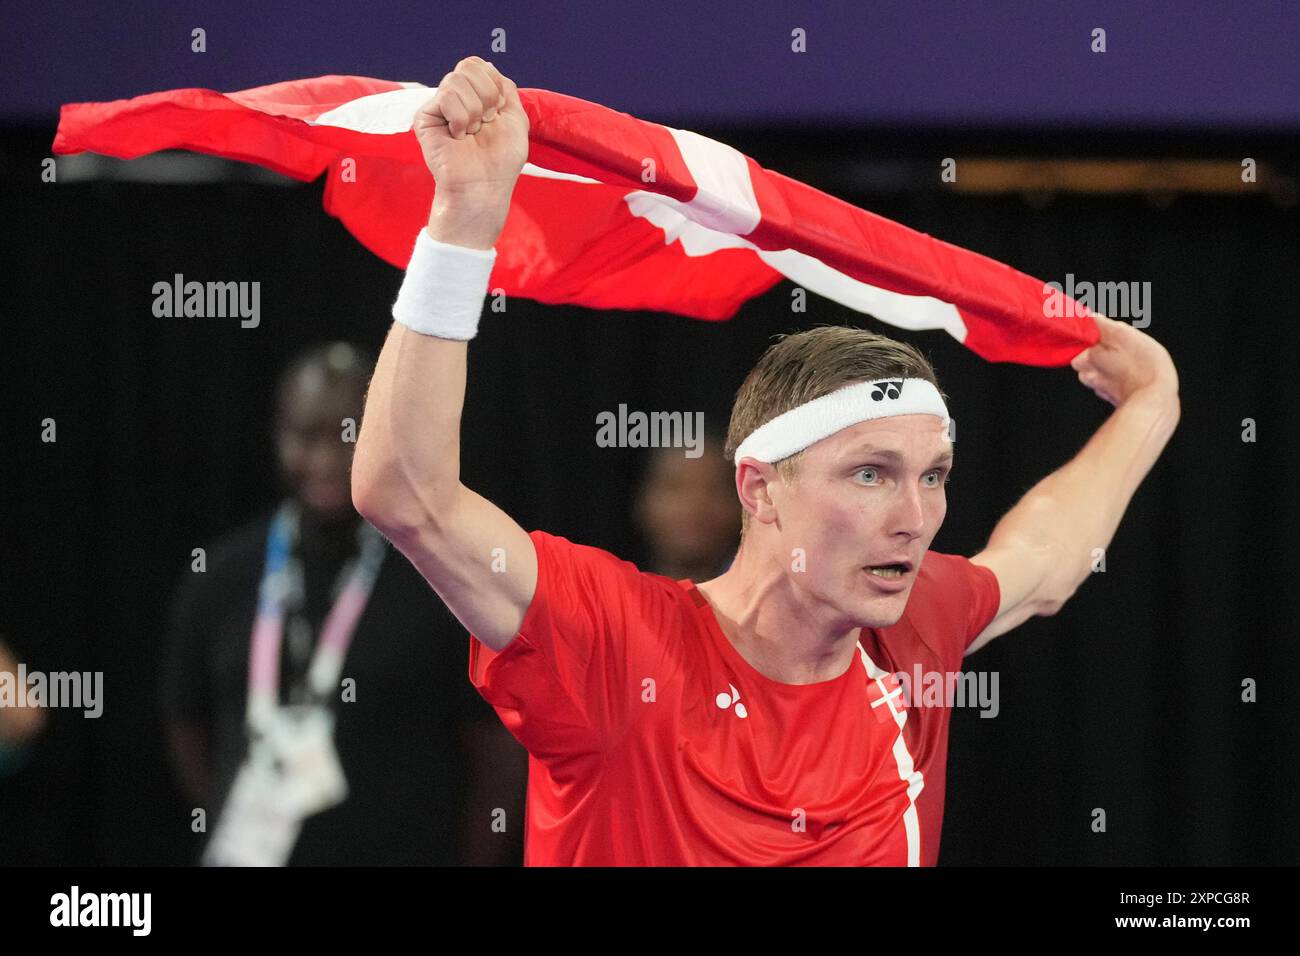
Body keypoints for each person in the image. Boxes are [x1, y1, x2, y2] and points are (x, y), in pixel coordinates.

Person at [351, 57, 1181, 865]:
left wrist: (1152, 405)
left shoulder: (912, 631)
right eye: (871, 473)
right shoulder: (616, 644)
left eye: (933, 476)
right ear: (761, 489)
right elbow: (406, 493)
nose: (916, 517)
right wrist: (464, 219)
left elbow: (1047, 559)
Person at [161, 341, 525, 866]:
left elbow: (495, 752)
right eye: (307, 435)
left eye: (348, 434)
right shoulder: (219, 577)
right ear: (277, 434)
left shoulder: (440, 577)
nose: (327, 459)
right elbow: (187, 727)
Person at [632, 433, 740, 581]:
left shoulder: (773, 598)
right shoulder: (611, 594)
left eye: (713, 489)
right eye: (675, 487)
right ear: (644, 501)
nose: (695, 505)